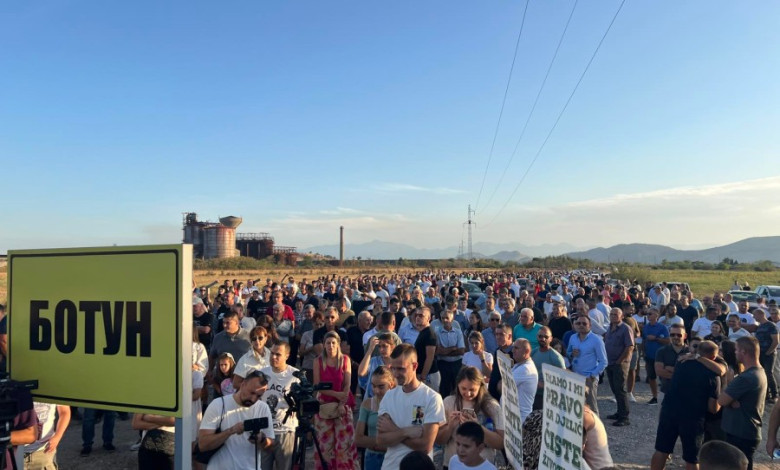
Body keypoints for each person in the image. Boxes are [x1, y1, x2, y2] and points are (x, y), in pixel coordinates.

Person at [651, 340, 721, 470]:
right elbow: (713, 408)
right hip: (693, 417)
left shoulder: (682, 363)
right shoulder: (713, 375)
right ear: (713, 357)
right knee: (692, 458)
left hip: (669, 411)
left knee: (661, 450)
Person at [376, 344, 445, 469]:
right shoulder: (389, 397)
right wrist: (405, 432)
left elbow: (425, 447)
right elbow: (381, 440)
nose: (396, 374)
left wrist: (394, 430)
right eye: (393, 368)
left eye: (401, 369)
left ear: (414, 366)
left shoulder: (431, 398)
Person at [198, 370, 275, 470]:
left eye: (259, 396)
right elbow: (203, 444)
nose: (253, 399)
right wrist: (231, 431)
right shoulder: (218, 405)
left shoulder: (263, 408)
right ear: (243, 384)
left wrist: (262, 439)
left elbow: (271, 446)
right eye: (251, 392)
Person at [436, 367, 504, 469]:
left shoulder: (491, 406)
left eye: (472, 390)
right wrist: (450, 426)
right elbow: (439, 440)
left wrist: (478, 427)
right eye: (463, 388)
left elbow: (500, 443)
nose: (467, 393)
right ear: (457, 384)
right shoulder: (449, 402)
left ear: (480, 386)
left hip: (482, 465)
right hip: (453, 464)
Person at [717, 336, 767, 470]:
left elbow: (721, 400)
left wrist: (728, 382)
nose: (735, 353)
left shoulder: (746, 378)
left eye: (736, 350)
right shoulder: (759, 372)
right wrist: (731, 400)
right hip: (746, 431)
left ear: (744, 352)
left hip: (740, 432)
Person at [313, 331, 359, 470]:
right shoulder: (318, 361)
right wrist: (336, 394)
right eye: (328, 343)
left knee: (344, 445)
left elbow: (347, 385)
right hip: (324, 405)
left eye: (333, 343)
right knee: (325, 445)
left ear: (338, 344)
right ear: (324, 344)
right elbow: (317, 385)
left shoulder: (345, 360)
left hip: (343, 405)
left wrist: (341, 403)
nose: (331, 346)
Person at [259, 343, 300, 470]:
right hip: (265, 431)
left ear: (287, 356)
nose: (274, 357)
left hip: (285, 431)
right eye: (272, 353)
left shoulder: (295, 375)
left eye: (278, 354)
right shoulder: (261, 374)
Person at [355, 366, 396, 470]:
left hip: (393, 458)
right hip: (372, 458)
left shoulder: (398, 404)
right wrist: (384, 444)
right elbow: (358, 439)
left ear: (391, 385)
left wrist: (372, 443)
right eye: (373, 386)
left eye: (381, 386)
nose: (376, 391)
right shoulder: (367, 404)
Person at [604, 307, 634, 426]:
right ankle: (619, 412)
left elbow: (629, 347)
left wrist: (619, 361)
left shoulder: (626, 329)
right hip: (609, 362)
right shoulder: (609, 328)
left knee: (620, 389)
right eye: (611, 314)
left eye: (615, 314)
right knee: (614, 388)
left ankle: (624, 417)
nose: (613, 316)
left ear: (621, 316)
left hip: (619, 364)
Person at [24, 402, 70, 470]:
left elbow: (65, 412)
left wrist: (57, 437)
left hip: (43, 450)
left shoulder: (54, 391)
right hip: (16, 451)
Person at [531, 326, 566, 410]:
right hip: (533, 394)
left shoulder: (556, 357)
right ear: (537, 337)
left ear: (551, 339)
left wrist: (543, 385)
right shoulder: (534, 352)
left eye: (546, 337)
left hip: (548, 397)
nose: (543, 339)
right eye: (540, 336)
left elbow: (564, 380)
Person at [436, 309, 466, 399]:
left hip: (456, 364)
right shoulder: (437, 332)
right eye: (443, 318)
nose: (445, 320)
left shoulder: (458, 332)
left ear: (452, 320)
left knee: (457, 388)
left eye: (447, 318)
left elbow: (461, 351)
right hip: (443, 365)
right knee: (444, 390)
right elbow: (437, 351)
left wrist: (444, 351)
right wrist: (453, 348)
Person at [641, 309, 669, 405]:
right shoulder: (645, 328)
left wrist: (656, 339)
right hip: (649, 356)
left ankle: (666, 396)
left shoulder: (662, 327)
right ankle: (655, 397)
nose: (648, 315)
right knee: (651, 377)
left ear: (656, 315)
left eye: (650, 314)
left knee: (663, 378)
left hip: (661, 357)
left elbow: (668, 341)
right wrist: (643, 352)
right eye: (647, 314)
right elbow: (644, 341)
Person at [753, 308, 779, 403]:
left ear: (760, 314)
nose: (754, 317)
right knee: (762, 374)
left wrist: (769, 352)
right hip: (760, 353)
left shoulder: (771, 326)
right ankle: (766, 394)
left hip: (768, 354)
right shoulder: (760, 326)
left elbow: (776, 341)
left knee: (769, 373)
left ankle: (775, 394)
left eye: (755, 315)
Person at [510, 339, 538, 424]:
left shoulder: (525, 369)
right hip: (513, 417)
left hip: (520, 420)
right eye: (513, 347)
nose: (513, 351)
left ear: (527, 351)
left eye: (516, 348)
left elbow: (502, 386)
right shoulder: (519, 365)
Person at [358, 333, 394, 398]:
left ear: (392, 347)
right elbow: (361, 373)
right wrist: (370, 349)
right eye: (379, 346)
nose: (381, 350)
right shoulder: (374, 361)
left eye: (384, 346)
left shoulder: (396, 364)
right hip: (372, 400)